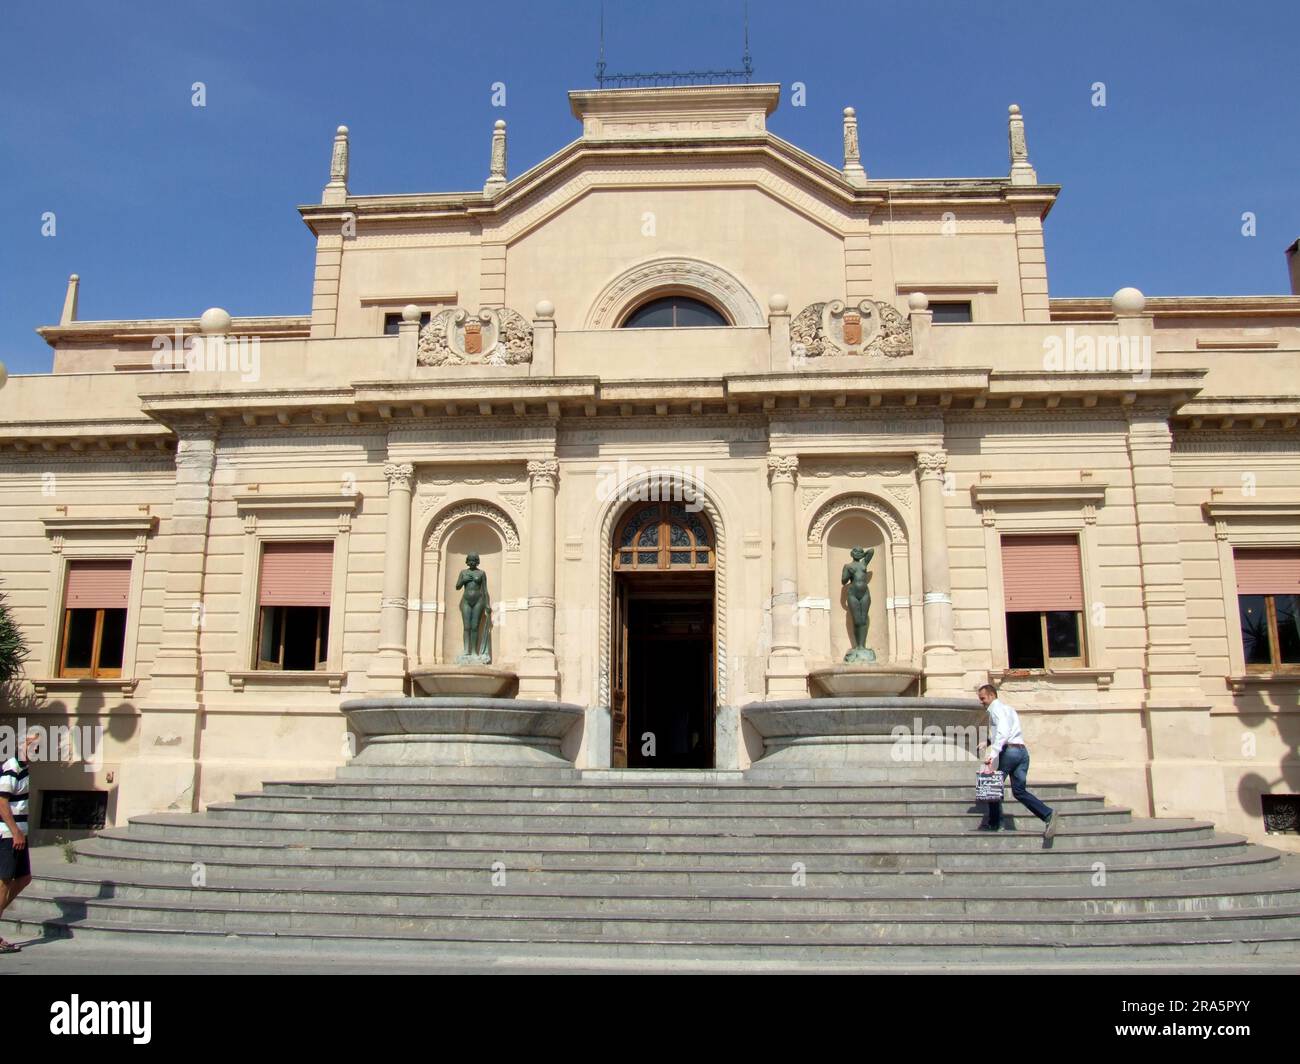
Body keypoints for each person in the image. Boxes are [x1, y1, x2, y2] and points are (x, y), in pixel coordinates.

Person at [977, 684, 1062, 838]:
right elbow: (1008, 730)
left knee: (991, 785)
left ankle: (995, 824)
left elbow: (1003, 732)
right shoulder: (1009, 709)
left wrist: (993, 753)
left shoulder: (995, 709)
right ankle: (1047, 814)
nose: (981, 702)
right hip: (1022, 753)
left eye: (983, 698)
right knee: (1019, 791)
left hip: (1009, 752)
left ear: (991, 695)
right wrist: (988, 742)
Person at [0, 728, 40, 953]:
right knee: (4, 882)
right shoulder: (11, 768)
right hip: (8, 834)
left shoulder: (23, 768)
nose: (36, 750)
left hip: (18, 835)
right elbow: (1, 803)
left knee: (24, 877)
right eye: (32, 745)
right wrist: (15, 831)